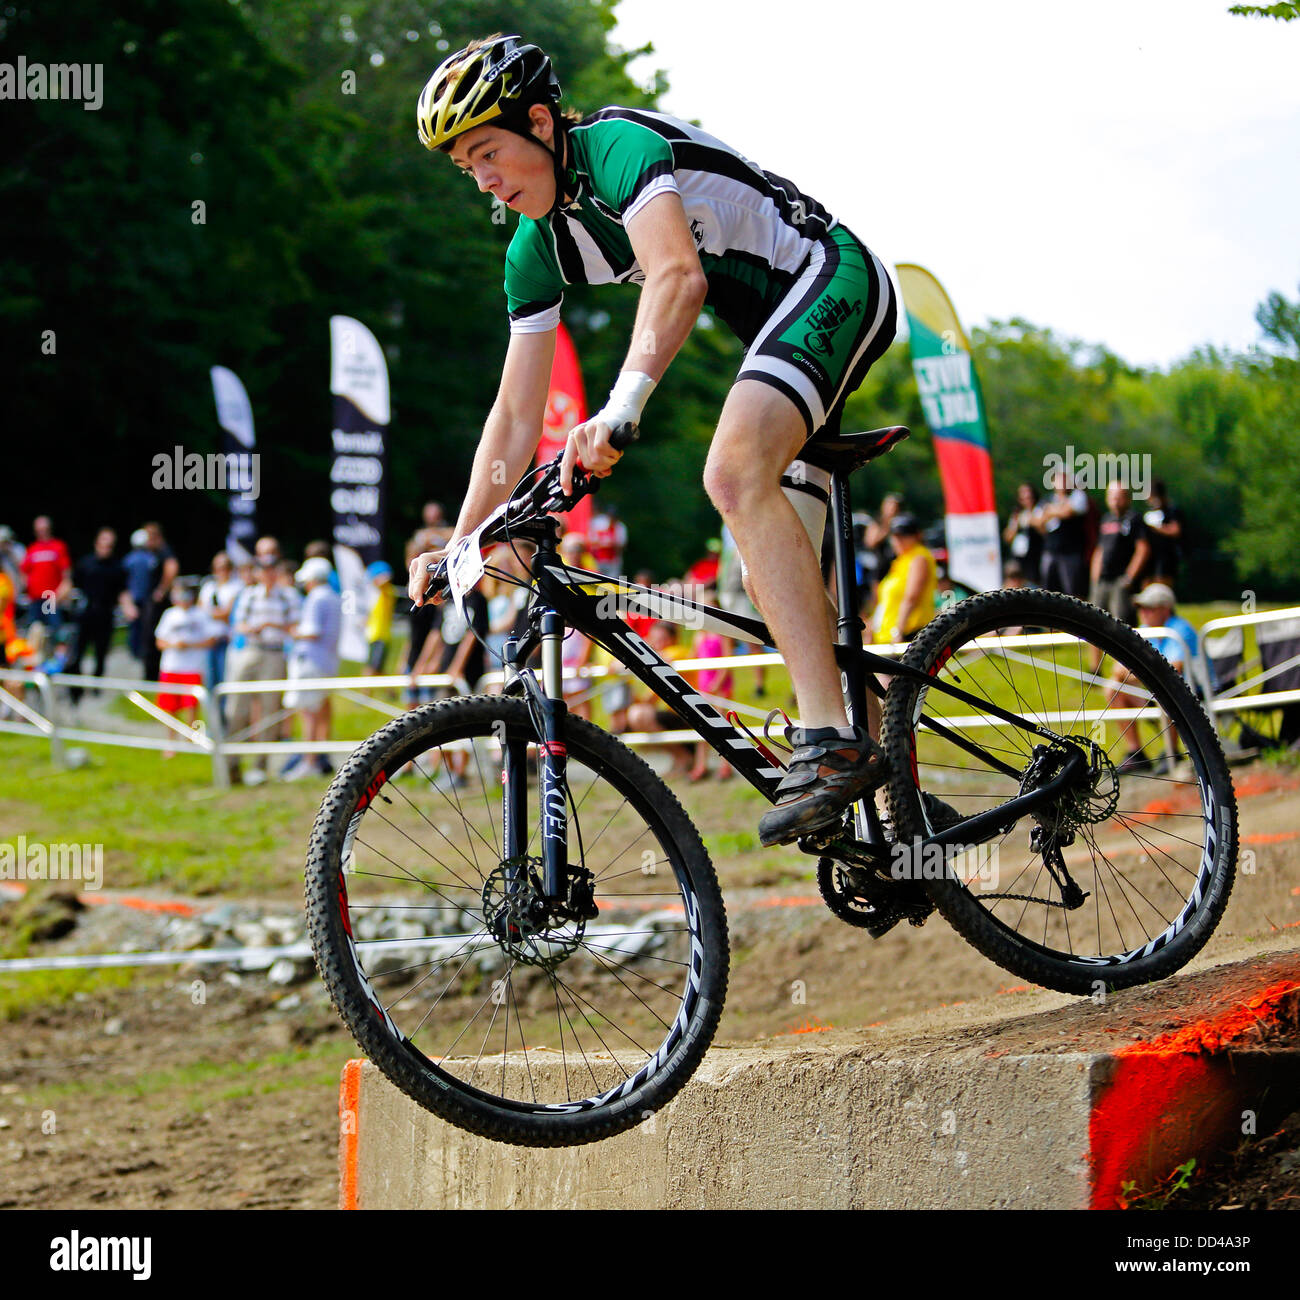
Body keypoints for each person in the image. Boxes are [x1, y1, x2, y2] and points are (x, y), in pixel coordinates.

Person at [408, 35, 900, 847]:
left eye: (489, 152)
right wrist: (463, 539)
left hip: (833, 277)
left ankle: (829, 742)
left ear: (539, 122)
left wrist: (619, 410)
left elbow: (678, 276)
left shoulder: (617, 149)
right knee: (772, 573)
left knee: (734, 473)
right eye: (468, 169)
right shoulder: (534, 249)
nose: (485, 181)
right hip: (772, 332)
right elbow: (513, 416)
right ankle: (898, 811)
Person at [1104, 582, 1202, 774]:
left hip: (1194, 692)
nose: (1143, 612)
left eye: (1149, 608)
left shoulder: (1178, 629)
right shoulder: (1145, 630)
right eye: (1141, 608)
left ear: (1165, 609)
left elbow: (1173, 671)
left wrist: (1138, 673)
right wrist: (1142, 674)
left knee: (1165, 688)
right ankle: (1135, 753)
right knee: (1113, 688)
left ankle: (1172, 751)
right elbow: (1118, 670)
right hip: (1156, 690)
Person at [225, 556, 297, 784]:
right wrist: (254, 628)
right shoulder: (249, 594)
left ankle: (260, 767)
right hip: (251, 649)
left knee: (270, 710)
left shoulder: (287, 596)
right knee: (237, 707)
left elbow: (295, 625)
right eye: (263, 569)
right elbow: (238, 624)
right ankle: (231, 764)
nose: (267, 574)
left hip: (274, 652)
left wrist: (273, 626)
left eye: (271, 569)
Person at [281, 557, 343, 779]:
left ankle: (310, 761)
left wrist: (292, 631)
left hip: (310, 660)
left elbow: (312, 631)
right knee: (321, 709)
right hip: (327, 660)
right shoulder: (334, 597)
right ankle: (320, 757)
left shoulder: (316, 598)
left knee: (307, 711)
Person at [65, 528, 137, 701]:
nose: (106, 547)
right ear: (97, 543)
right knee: (77, 652)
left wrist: (129, 607)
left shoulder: (118, 567)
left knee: (101, 654)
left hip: (105, 614)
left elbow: (123, 592)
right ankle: (75, 690)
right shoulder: (86, 563)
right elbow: (69, 584)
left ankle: (96, 689)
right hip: (85, 613)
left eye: (110, 544)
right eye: (104, 543)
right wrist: (49, 603)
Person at [154, 579, 217, 757]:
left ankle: (192, 740)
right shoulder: (169, 614)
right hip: (171, 667)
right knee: (169, 707)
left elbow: (211, 640)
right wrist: (174, 645)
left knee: (192, 706)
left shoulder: (200, 614)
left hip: (193, 667)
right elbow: (159, 641)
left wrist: (189, 644)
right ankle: (171, 743)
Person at [872, 515, 937, 645]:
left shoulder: (919, 557)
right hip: (889, 636)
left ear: (917, 536)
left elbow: (911, 597)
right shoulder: (901, 560)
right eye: (895, 536)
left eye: (904, 535)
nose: (898, 540)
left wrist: (898, 631)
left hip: (910, 633)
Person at [197, 551, 244, 704]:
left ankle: (226, 723)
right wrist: (216, 613)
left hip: (225, 641)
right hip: (207, 642)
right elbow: (200, 610)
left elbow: (227, 614)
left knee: (224, 683)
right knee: (209, 684)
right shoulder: (208, 587)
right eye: (217, 568)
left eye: (225, 567)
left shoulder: (236, 586)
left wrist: (208, 611)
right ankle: (213, 722)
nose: (221, 571)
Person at [1034, 471, 1089, 598]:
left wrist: (1051, 511)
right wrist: (1058, 510)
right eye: (1059, 479)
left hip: (1071, 553)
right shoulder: (1047, 499)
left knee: (1073, 591)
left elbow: (1068, 512)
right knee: (1048, 591)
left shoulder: (1077, 496)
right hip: (1051, 551)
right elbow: (1038, 522)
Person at [138, 522, 179, 683]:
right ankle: (149, 676)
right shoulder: (150, 553)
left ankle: (154, 676)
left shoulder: (164, 551)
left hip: (158, 604)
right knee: (147, 639)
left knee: (154, 638)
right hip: (149, 602)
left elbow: (172, 568)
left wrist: (162, 590)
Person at [19, 515, 71, 635]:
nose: (42, 532)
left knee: (56, 631)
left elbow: (66, 573)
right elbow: (24, 571)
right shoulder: (32, 549)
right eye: (38, 530)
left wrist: (62, 592)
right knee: (35, 632)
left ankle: (58, 654)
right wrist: (28, 586)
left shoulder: (58, 547)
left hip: (52, 598)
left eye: (44, 529)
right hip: (35, 598)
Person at [1141, 478, 1184, 588]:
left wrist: (1156, 528)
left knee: (1163, 590)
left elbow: (1175, 530)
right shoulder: (1149, 512)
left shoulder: (1171, 510)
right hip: (1150, 558)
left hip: (1165, 559)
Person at [1002, 481, 1043, 586]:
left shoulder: (1040, 510)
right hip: (1019, 557)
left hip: (1035, 557)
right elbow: (1007, 537)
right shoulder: (1017, 514)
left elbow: (1044, 530)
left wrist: (1031, 520)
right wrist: (1016, 525)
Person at [364, 560, 396, 675]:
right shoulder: (376, 593)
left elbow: (384, 580)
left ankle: (389, 690)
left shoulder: (387, 590)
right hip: (375, 636)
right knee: (373, 669)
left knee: (374, 669)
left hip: (382, 636)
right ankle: (390, 691)